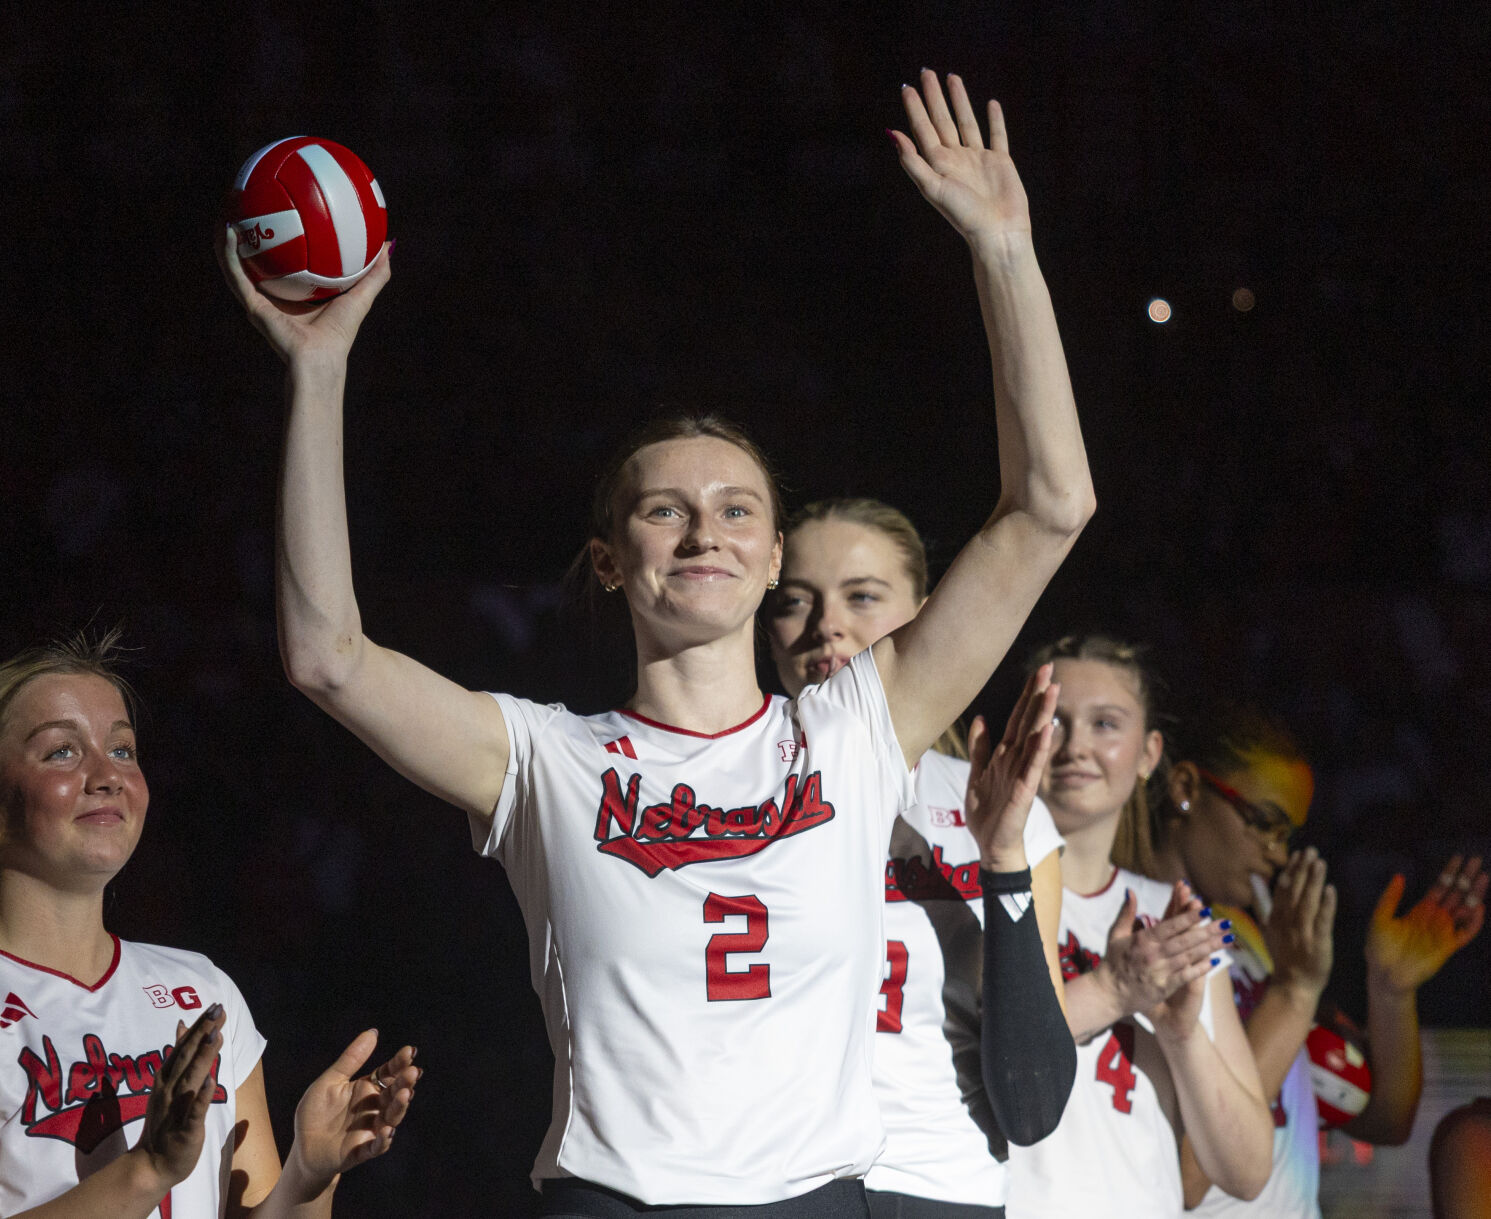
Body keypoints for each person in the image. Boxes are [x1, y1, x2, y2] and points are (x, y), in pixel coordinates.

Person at [221, 68, 1095, 1215]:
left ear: (775, 554)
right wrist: (319, 370)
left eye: (738, 508)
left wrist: (1003, 248)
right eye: (663, 508)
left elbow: (1049, 506)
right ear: (607, 559)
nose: (704, 530)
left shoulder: (851, 730)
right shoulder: (543, 761)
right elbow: (326, 654)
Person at [0, 634, 420, 1219]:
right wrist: (146, 1171)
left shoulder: (204, 990)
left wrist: (308, 1175)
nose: (107, 775)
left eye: (122, 750)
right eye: (62, 752)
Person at [765, 497, 1074, 1219]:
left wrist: (1001, 856)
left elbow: (1033, 1102)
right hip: (771, 1184)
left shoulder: (1002, 806)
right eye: (794, 600)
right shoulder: (715, 789)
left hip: (944, 1186)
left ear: (933, 614)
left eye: (862, 595)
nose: (825, 625)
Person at [1148, 702, 1487, 1217]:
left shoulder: (1247, 935)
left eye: (1288, 835)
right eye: (1265, 824)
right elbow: (1189, 1175)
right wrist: (1292, 994)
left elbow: (1384, 1120)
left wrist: (1391, 990)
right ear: (1186, 787)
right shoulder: (1133, 936)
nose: (1278, 854)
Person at [1004, 635, 1273, 1216]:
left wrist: (1180, 1033)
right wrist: (1113, 989)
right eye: (1054, 722)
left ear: (1150, 754)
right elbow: (991, 1057)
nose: (1075, 746)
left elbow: (1247, 1171)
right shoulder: (979, 893)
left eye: (1106, 724)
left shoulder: (1175, 917)